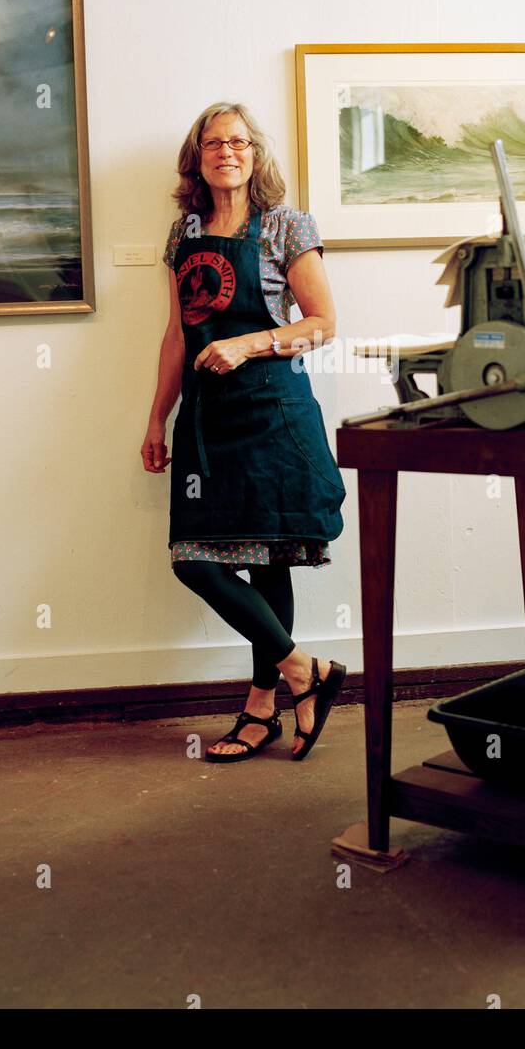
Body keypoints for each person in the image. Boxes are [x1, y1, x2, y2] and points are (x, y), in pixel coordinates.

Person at [141, 101, 347, 762]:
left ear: (255, 154)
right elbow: (176, 334)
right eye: (211, 143)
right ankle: (302, 672)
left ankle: (261, 708)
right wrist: (156, 416)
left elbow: (321, 323)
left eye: (237, 142)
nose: (225, 151)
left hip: (272, 412)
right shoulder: (183, 234)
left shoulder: (287, 226)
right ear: (196, 158)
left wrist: (249, 345)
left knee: (268, 559)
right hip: (206, 418)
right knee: (196, 560)